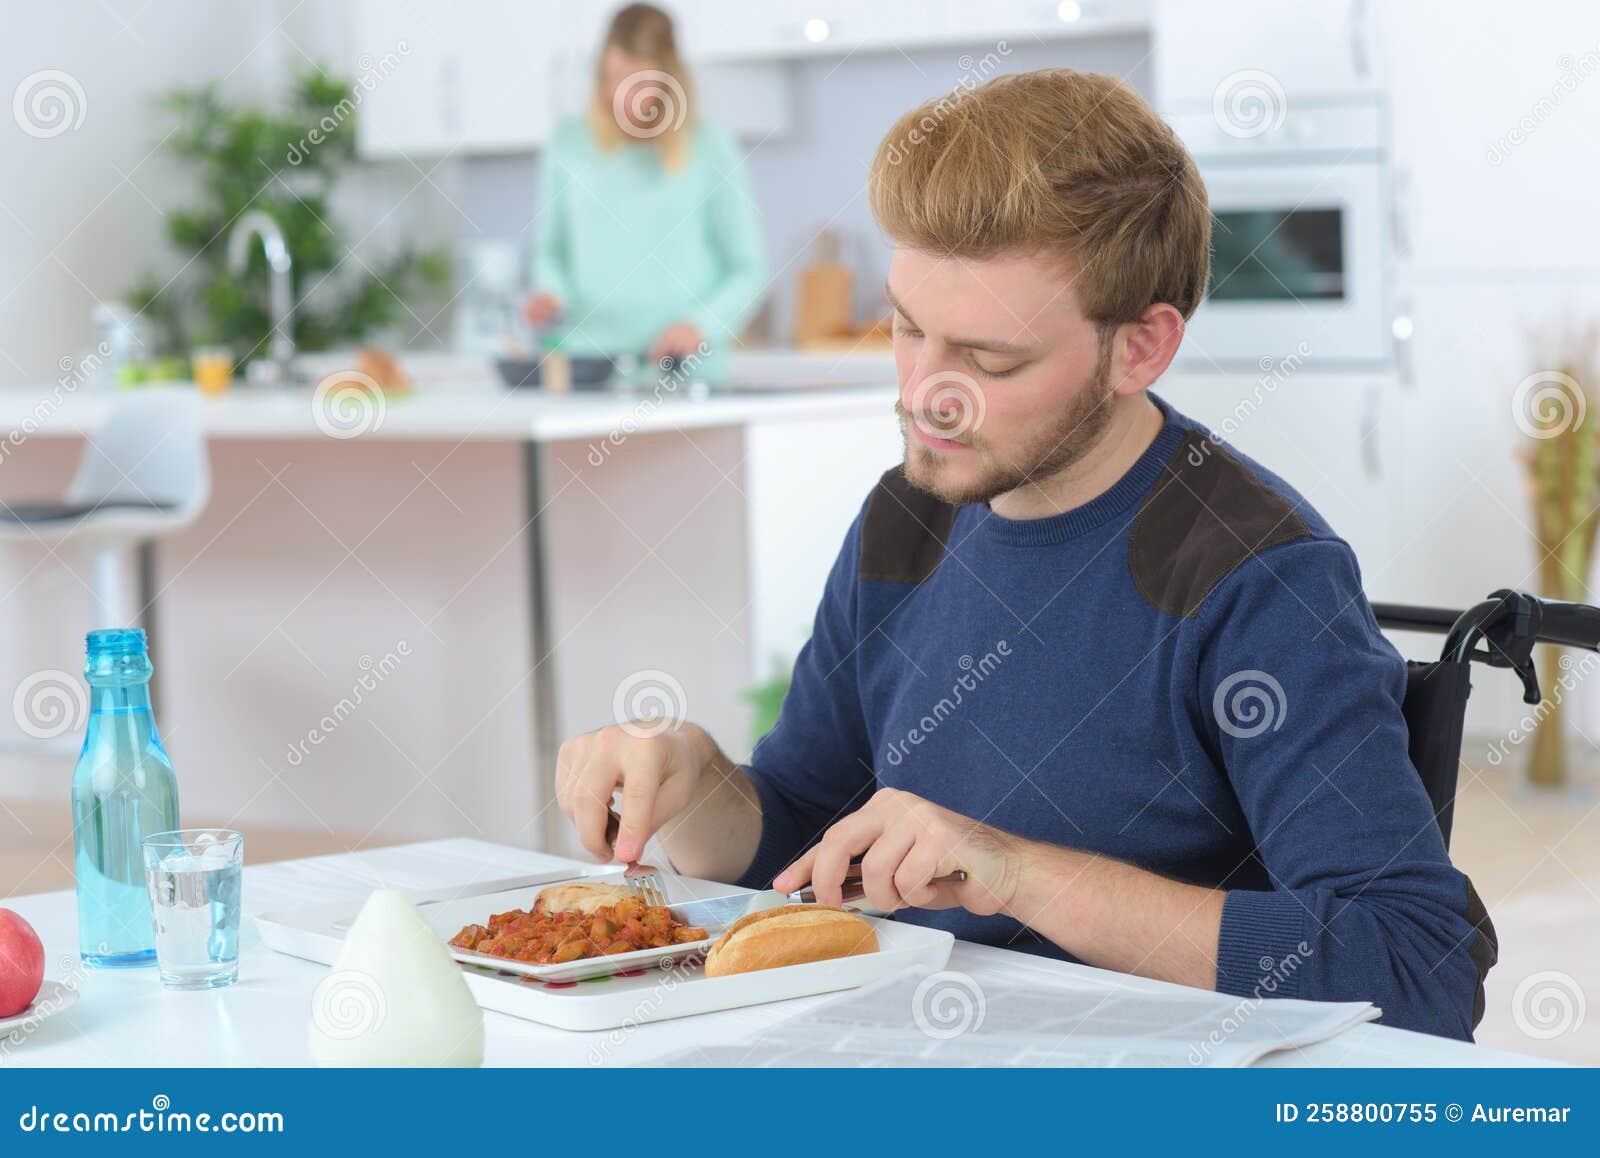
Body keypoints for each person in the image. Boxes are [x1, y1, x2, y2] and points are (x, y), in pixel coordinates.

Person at [554, 69, 1497, 1040]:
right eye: (906, 329)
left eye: (989, 361)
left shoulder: (1254, 579)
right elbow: (797, 833)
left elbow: (1415, 966)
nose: (925, 395)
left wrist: (1017, 874)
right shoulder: (905, 519)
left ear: (1139, 349)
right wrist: (696, 782)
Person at [525, 3, 767, 380]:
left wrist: (698, 326)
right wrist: (550, 295)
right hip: (588, 371)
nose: (623, 96)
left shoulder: (711, 147)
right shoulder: (567, 143)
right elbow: (550, 253)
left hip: (684, 371)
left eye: (638, 81)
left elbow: (748, 269)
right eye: (614, 76)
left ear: (669, 78)